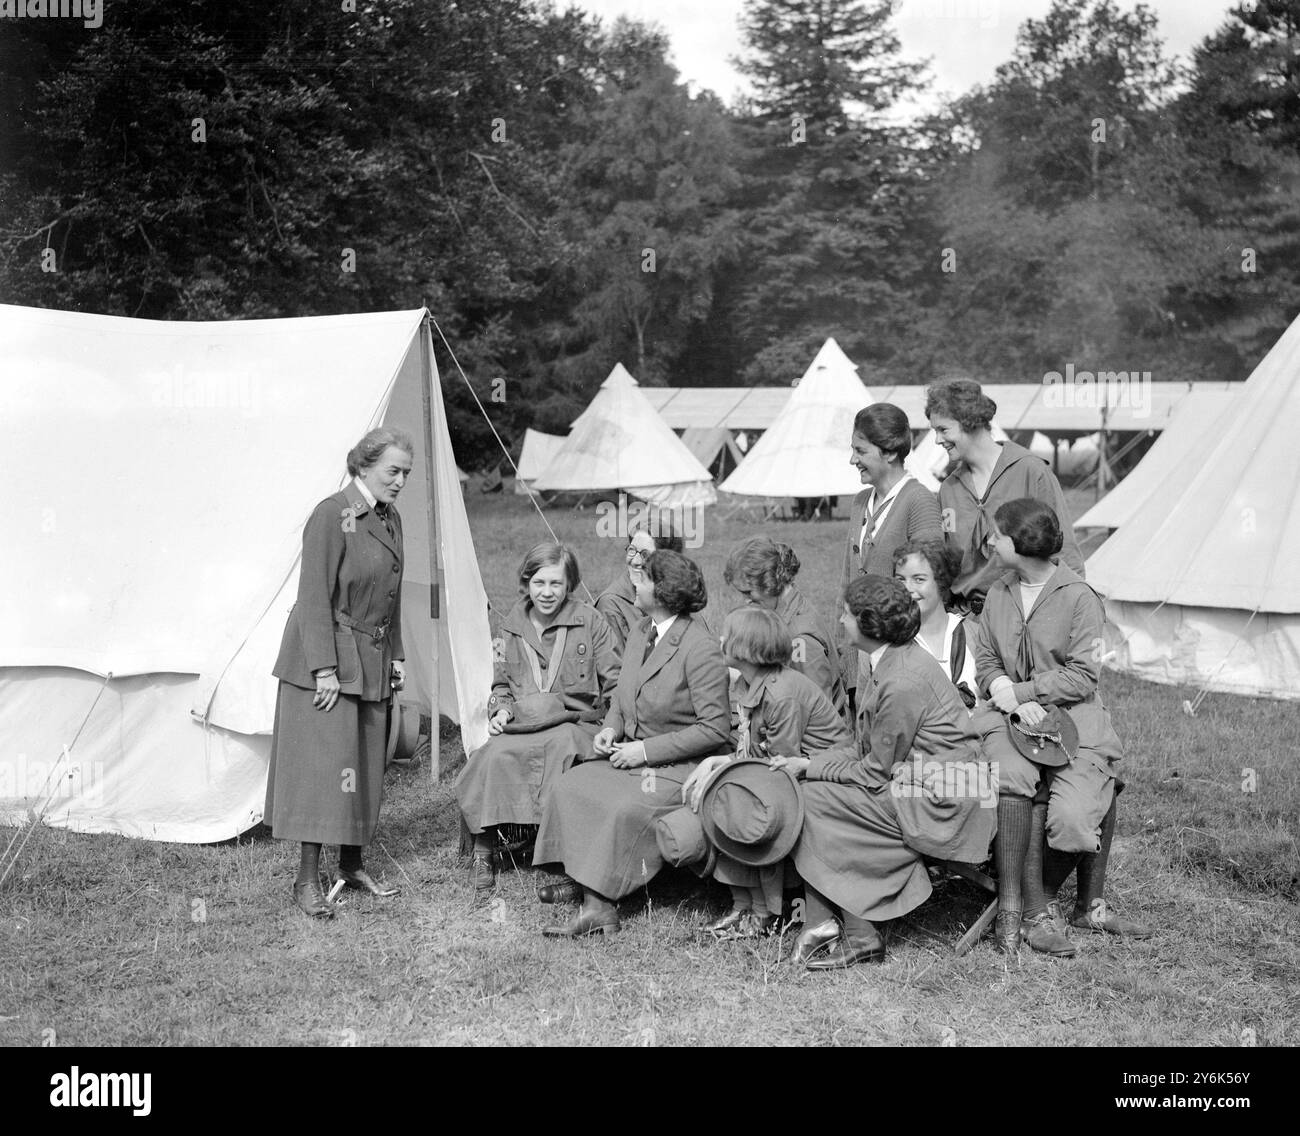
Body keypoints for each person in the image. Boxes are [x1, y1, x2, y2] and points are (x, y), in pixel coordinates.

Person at [778, 576, 996, 969]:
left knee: (815, 800)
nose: (839, 620)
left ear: (869, 624)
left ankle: (851, 931)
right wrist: (812, 766)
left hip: (949, 798)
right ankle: (829, 923)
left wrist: (812, 766)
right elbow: (869, 752)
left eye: (846, 614)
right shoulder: (892, 660)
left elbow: (873, 772)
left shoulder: (901, 679)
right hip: (926, 781)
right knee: (811, 794)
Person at [970, 498, 1145, 956]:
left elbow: (1084, 676)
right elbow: (985, 659)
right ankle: (1029, 914)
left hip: (1075, 721)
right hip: (1006, 718)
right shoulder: (998, 593)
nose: (988, 541)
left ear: (1021, 543)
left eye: (996, 534)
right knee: (1012, 781)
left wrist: (1025, 694)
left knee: (1071, 821)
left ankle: (1045, 897)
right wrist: (1003, 688)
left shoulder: (1080, 598)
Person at [533, 550, 732, 938]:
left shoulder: (700, 646)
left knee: (621, 808)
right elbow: (624, 693)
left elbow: (715, 730)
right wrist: (611, 726)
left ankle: (599, 906)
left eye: (642, 579)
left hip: (683, 767)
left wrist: (643, 751)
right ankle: (585, 876)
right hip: (635, 755)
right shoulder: (642, 630)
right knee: (570, 784)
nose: (633, 584)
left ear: (662, 593)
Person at [265, 427, 413, 918]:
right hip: (325, 662)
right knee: (322, 770)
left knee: (366, 764)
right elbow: (312, 597)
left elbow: (394, 597)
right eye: (393, 471)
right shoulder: (333, 514)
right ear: (364, 465)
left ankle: (351, 865)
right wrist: (324, 669)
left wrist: (396, 654)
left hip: (371, 659)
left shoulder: (390, 519)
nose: (400, 481)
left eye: (406, 473)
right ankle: (305, 880)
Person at [455, 542, 621, 895]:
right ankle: (485, 851)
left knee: (559, 748)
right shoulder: (510, 625)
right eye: (539, 583)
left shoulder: (590, 621)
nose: (547, 593)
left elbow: (616, 682)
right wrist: (500, 709)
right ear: (526, 583)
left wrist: (614, 724)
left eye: (556, 584)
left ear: (569, 585)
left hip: (573, 723)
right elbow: (501, 684)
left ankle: (558, 850)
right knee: (494, 755)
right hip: (525, 722)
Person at [682, 607, 852, 939]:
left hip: (818, 775)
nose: (720, 640)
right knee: (725, 794)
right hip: (781, 769)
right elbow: (757, 751)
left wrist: (727, 769)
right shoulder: (750, 683)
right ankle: (742, 905)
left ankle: (764, 913)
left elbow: (779, 765)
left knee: (746, 805)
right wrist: (719, 763)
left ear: (746, 650)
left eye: (726, 637)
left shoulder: (782, 693)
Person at [925, 378, 1083, 611]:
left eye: (943, 430)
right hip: (966, 622)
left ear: (970, 423)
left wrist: (1073, 614)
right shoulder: (950, 488)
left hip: (1023, 617)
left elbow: (1066, 553)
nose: (938, 440)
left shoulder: (1030, 471)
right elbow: (946, 567)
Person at [843, 403, 944, 702]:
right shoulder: (860, 502)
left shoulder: (919, 501)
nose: (852, 460)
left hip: (898, 654)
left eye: (861, 451)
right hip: (861, 651)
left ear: (888, 451)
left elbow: (927, 588)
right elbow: (845, 583)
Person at [724, 537, 848, 719]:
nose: (746, 601)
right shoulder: (783, 615)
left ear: (769, 582)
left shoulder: (799, 637)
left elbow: (816, 712)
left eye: (749, 593)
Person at [892, 540, 978, 711]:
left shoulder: (976, 635)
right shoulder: (886, 642)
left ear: (941, 582)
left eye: (919, 579)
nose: (907, 588)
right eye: (900, 579)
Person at [594, 515, 685, 652]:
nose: (635, 561)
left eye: (645, 555)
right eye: (632, 550)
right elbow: (613, 670)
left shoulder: (679, 593)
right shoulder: (611, 604)